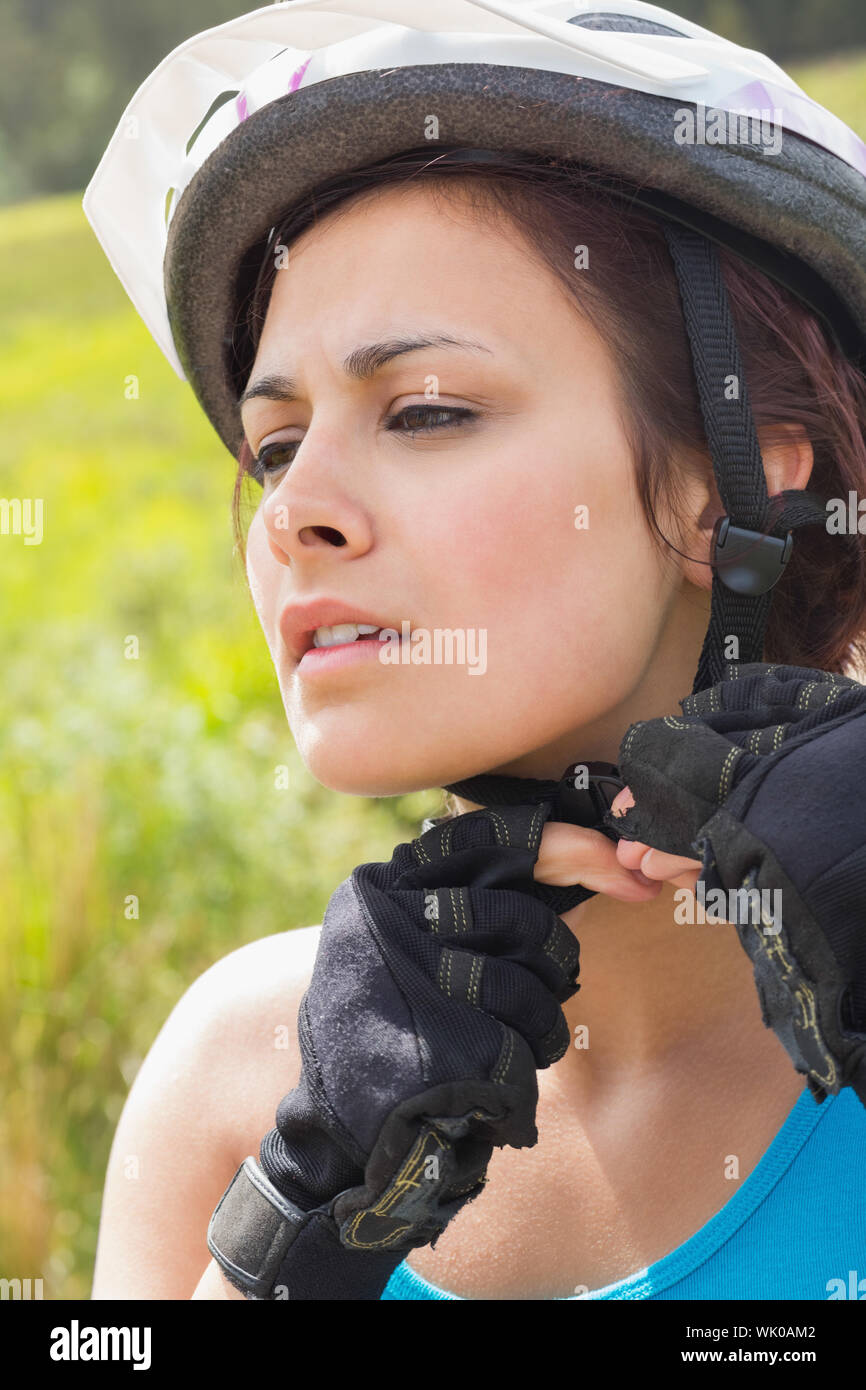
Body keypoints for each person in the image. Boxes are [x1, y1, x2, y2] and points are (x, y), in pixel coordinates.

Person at [85, 2, 866, 1301]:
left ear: (734, 478)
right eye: (274, 445)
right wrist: (296, 1220)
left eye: (427, 408)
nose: (291, 512)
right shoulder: (242, 1074)